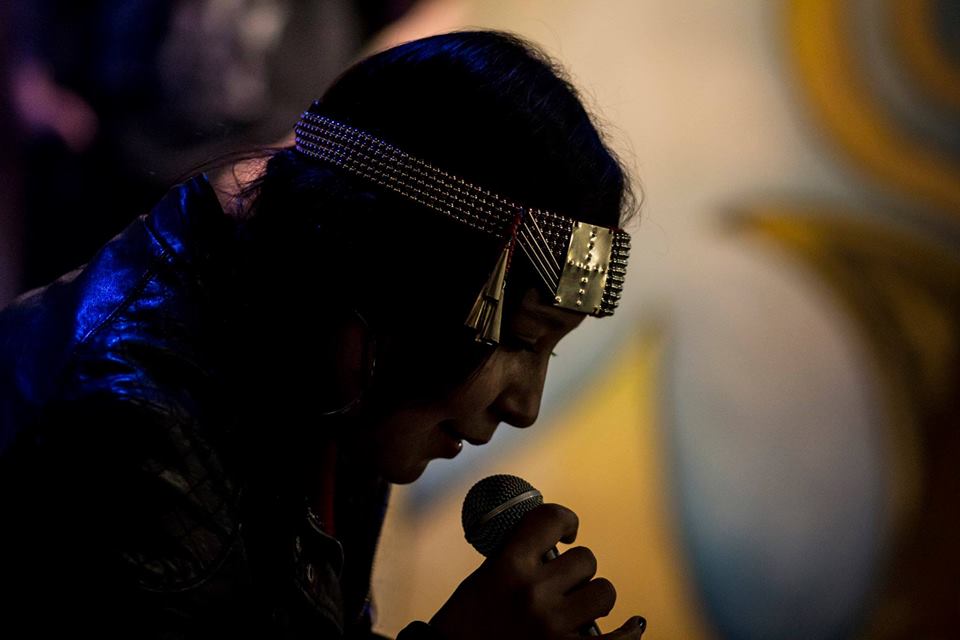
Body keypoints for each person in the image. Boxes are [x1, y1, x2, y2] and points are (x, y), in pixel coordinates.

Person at [0, 31, 641, 639]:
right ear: (392, 273)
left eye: (549, 351)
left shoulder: (335, 374)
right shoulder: (132, 432)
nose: (524, 405)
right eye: (522, 342)